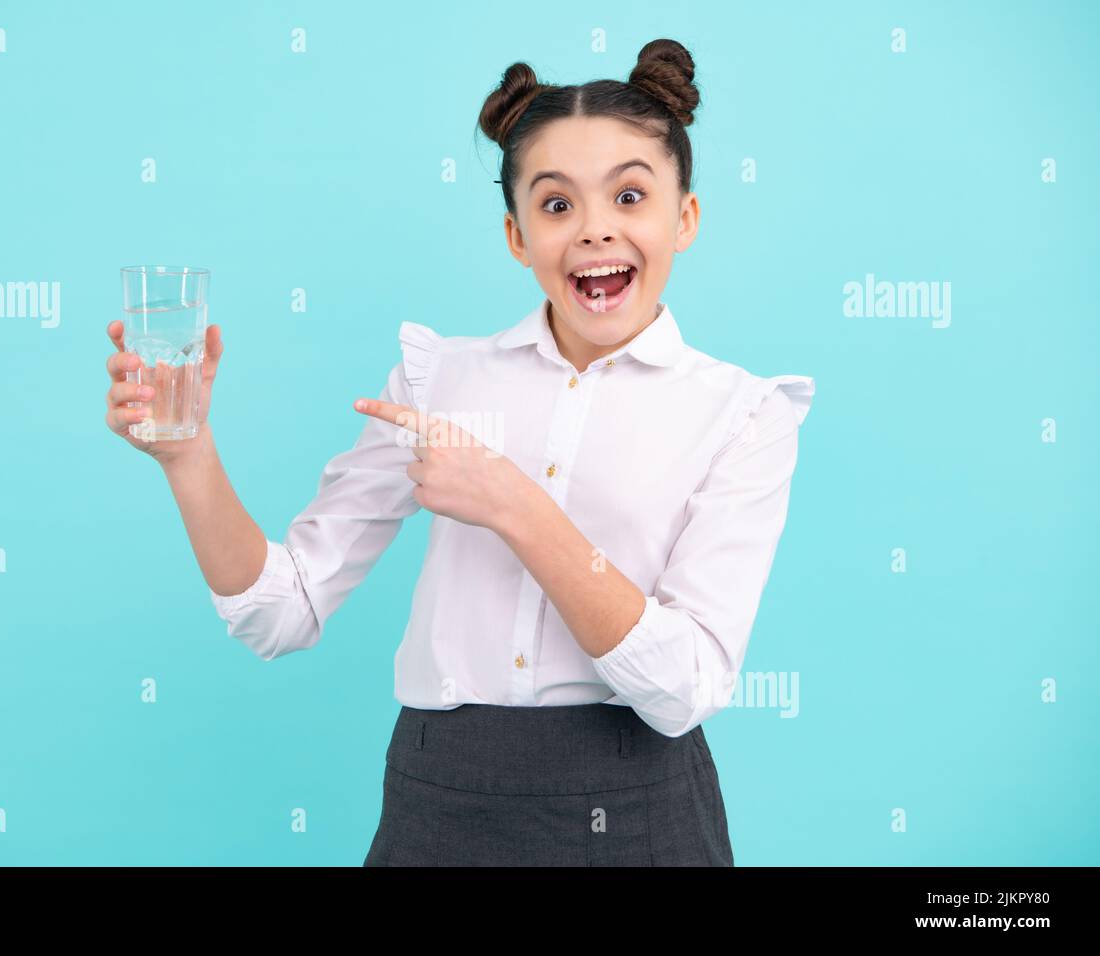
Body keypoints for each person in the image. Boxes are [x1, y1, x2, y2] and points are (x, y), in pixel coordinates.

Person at [102, 37, 814, 866]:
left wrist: (513, 505)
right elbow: (280, 612)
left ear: (683, 216)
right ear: (517, 235)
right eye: (556, 206)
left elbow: (684, 688)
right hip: (441, 807)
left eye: (629, 195)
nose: (594, 231)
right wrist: (188, 458)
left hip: (641, 810)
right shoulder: (437, 377)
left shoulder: (743, 415)